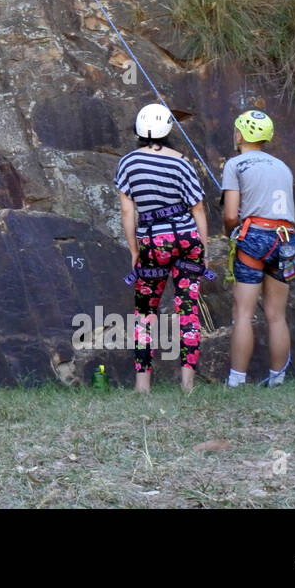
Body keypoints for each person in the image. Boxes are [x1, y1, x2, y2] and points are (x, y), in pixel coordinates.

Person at [114, 103, 212, 393]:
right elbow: (198, 208)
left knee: (145, 312)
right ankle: (187, 385)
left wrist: (134, 251)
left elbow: (127, 213)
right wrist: (203, 249)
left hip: (152, 243)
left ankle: (142, 385)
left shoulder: (128, 163)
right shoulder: (182, 162)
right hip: (186, 239)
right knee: (188, 310)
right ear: (168, 128)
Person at [222, 110, 295, 387]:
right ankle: (277, 378)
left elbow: (231, 215)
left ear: (240, 134)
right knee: (276, 315)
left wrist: (230, 233)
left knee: (243, 313)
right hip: (286, 238)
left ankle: (237, 380)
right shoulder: (282, 166)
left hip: (254, 236)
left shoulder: (235, 164)